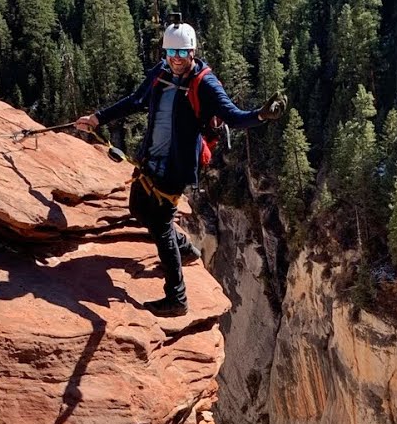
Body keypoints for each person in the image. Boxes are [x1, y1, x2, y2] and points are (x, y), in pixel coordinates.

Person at [75, 17, 285, 317]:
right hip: (151, 157)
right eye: (170, 53)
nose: (175, 60)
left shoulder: (205, 83)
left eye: (182, 54)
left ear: (193, 52)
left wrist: (261, 116)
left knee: (160, 226)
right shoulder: (160, 73)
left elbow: (235, 118)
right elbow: (136, 101)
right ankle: (184, 247)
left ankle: (177, 297)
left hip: (177, 165)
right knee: (137, 206)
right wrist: (98, 117)